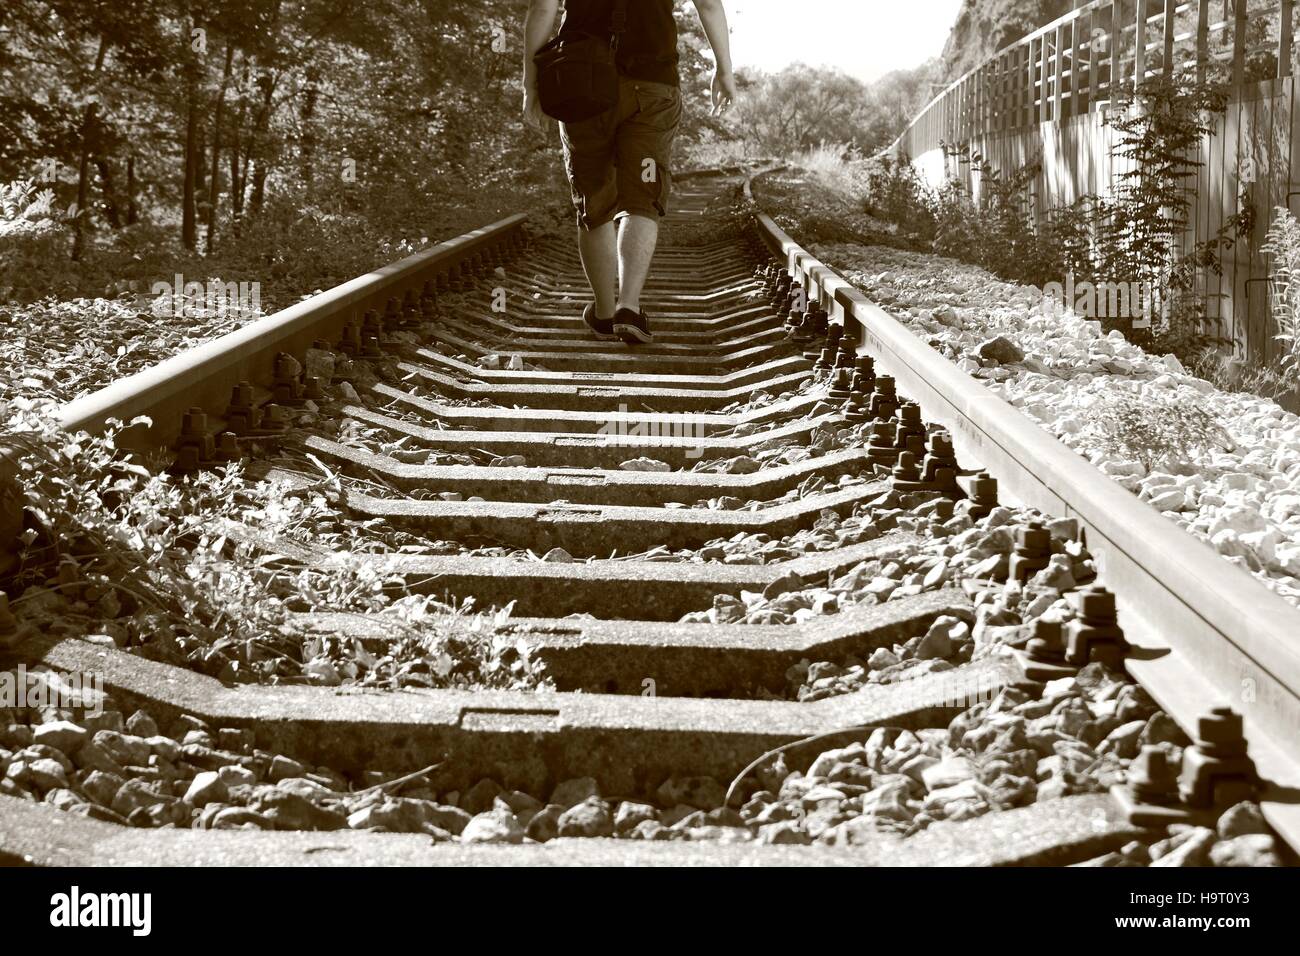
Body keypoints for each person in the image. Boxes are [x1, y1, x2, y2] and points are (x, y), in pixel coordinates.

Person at [523, 0, 736, 345]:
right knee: (642, 197)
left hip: (581, 82)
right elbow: (709, 4)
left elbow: (543, 9)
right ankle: (629, 307)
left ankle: (604, 313)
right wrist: (724, 69)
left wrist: (531, 84)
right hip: (653, 87)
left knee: (593, 198)